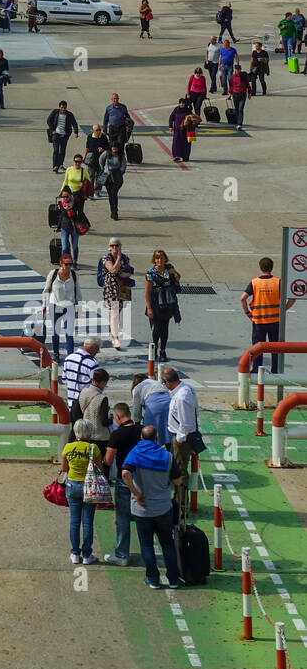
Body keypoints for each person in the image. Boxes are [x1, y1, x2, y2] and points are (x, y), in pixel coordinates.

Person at [122, 426, 185, 589]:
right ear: (156, 438)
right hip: (163, 508)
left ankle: (153, 578)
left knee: (146, 545)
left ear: (141, 438)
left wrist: (135, 493)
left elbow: (124, 473)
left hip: (141, 509)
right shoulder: (167, 456)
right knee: (167, 543)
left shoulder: (135, 454)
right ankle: (173, 579)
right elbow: (177, 481)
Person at [61, 419, 105, 565]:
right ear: (89, 432)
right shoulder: (94, 448)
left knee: (74, 521)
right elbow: (100, 469)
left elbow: (64, 468)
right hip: (89, 487)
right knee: (88, 522)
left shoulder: (68, 447)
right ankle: (87, 554)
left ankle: (74, 553)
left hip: (72, 485)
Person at [242, 256, 296, 375]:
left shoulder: (254, 282)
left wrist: (248, 313)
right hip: (275, 321)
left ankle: (256, 370)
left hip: (258, 321)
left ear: (260, 267)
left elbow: (243, 298)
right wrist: (283, 309)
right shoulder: (278, 282)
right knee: (275, 347)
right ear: (272, 268)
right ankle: (276, 371)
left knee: (257, 348)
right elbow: (292, 297)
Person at [104, 403, 142, 567]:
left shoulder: (117, 435)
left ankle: (121, 554)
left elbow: (108, 460)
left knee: (123, 518)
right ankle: (149, 553)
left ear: (117, 417)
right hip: (142, 479)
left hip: (124, 480)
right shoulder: (142, 430)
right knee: (144, 518)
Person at [162, 367, 199, 512]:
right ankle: (178, 499)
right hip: (179, 436)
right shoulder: (186, 389)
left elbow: (186, 422)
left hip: (181, 439)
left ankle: (181, 505)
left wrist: (179, 438)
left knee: (180, 471)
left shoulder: (182, 397)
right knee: (176, 469)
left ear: (168, 382)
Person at [41, 253, 82, 359]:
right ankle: (56, 354)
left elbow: (78, 291)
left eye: (71, 264)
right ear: (61, 263)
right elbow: (46, 290)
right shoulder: (53, 274)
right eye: (66, 264)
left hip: (70, 306)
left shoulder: (74, 275)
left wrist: (80, 306)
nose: (69, 266)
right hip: (55, 305)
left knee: (69, 333)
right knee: (56, 332)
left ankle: (70, 357)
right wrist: (44, 304)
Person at [145, 249, 182, 363]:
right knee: (157, 328)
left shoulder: (169, 269)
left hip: (168, 302)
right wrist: (149, 308)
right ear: (154, 260)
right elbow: (147, 292)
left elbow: (178, 278)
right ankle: (155, 346)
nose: (159, 260)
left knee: (165, 327)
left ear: (165, 259)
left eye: (161, 258)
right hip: (156, 303)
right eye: (157, 258)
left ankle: (163, 350)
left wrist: (174, 272)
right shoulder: (150, 273)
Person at [100, 236, 134, 348]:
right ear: (109, 247)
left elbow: (129, 271)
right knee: (114, 313)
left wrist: (126, 274)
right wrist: (118, 258)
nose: (115, 247)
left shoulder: (126, 258)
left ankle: (112, 334)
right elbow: (113, 270)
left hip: (123, 286)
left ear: (120, 246)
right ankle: (115, 338)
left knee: (117, 312)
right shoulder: (106, 258)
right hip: (111, 288)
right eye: (112, 246)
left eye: (117, 245)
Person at [61, 338, 100, 415]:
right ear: (95, 347)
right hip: (86, 405)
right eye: (97, 350)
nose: (96, 353)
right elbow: (98, 386)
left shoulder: (68, 358)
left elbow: (64, 380)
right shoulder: (93, 364)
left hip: (71, 404)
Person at [75, 368, 111, 442]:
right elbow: (104, 422)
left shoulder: (83, 392)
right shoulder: (102, 398)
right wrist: (111, 420)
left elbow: (76, 413)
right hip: (100, 437)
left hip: (85, 434)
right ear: (103, 382)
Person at [46, 100, 80, 172]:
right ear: (59, 107)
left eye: (64, 107)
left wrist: (76, 132)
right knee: (56, 150)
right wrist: (52, 130)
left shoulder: (69, 114)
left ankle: (61, 164)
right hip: (56, 134)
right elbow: (48, 120)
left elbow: (74, 123)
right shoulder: (55, 112)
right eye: (62, 107)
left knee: (62, 150)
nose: (63, 109)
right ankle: (55, 166)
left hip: (64, 135)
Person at [55, 186, 86, 263]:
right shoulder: (61, 204)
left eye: (66, 196)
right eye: (63, 196)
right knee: (64, 247)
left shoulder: (76, 202)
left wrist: (81, 223)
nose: (65, 198)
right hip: (64, 227)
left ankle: (75, 261)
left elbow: (80, 213)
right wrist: (58, 227)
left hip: (74, 227)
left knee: (74, 246)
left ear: (70, 195)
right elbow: (62, 216)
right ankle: (64, 262)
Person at [97, 144, 126, 222]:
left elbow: (123, 165)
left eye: (116, 149)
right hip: (108, 177)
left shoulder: (121, 155)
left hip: (117, 177)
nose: (114, 150)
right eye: (113, 149)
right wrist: (104, 170)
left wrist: (120, 173)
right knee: (111, 195)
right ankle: (113, 211)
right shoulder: (106, 153)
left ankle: (115, 211)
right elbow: (100, 160)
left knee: (114, 193)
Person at [168, 97, 193, 163]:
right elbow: (171, 118)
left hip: (186, 131)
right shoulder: (176, 109)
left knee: (186, 144)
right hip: (177, 130)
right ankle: (176, 156)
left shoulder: (188, 111)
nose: (181, 104)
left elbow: (193, 120)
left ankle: (185, 157)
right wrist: (170, 126)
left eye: (183, 103)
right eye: (180, 103)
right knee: (176, 143)